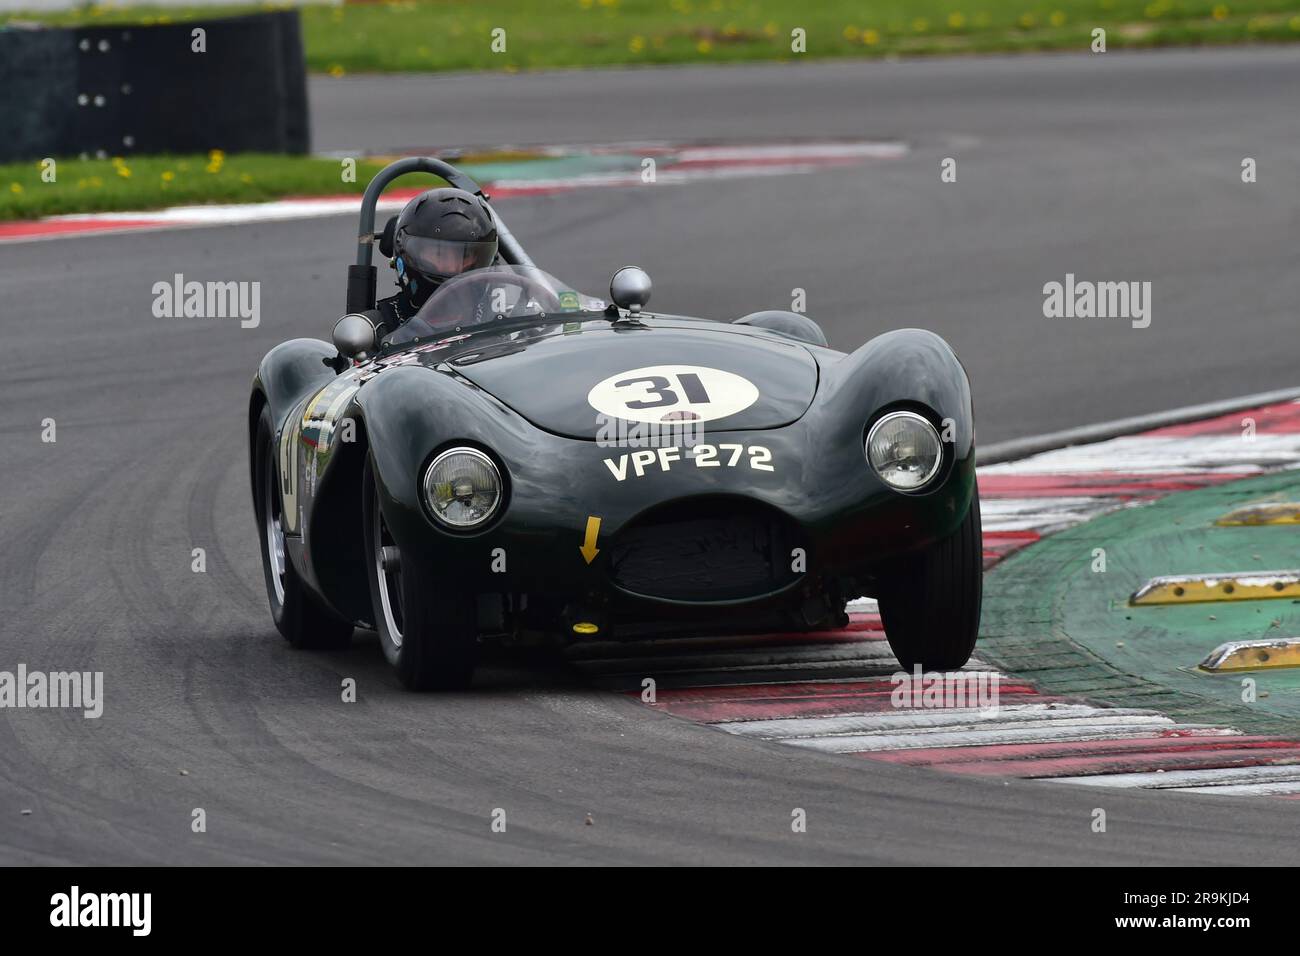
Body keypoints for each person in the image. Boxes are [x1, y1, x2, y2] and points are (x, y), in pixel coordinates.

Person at [371, 186, 499, 338]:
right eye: (440, 254)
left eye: (466, 256)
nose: (453, 266)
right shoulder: (375, 330)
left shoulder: (501, 315)